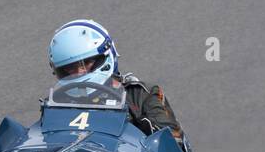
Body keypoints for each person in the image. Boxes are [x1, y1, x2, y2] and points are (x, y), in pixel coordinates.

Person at [47, 19, 183, 140]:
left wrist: (142, 129)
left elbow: (173, 142)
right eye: (70, 68)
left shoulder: (140, 94)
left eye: (86, 63)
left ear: (106, 55)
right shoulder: (56, 102)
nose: (79, 72)